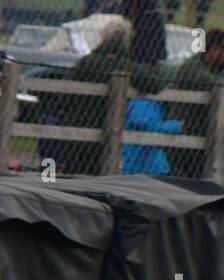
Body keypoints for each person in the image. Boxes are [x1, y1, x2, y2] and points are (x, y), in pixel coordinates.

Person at [52, 21, 164, 175]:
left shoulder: (87, 62)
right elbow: (155, 86)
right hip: (111, 128)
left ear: (103, 37)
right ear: (127, 40)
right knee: (102, 173)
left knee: (74, 171)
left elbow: (66, 93)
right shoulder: (126, 65)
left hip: (79, 126)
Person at [168, 28, 224, 178]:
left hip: (207, 137)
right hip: (184, 134)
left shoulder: (221, 71)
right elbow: (210, 82)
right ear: (214, 49)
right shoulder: (192, 66)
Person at [122, 94, 181, 175]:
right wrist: (174, 125)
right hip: (138, 161)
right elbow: (143, 123)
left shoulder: (155, 103)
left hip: (150, 162)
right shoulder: (142, 103)